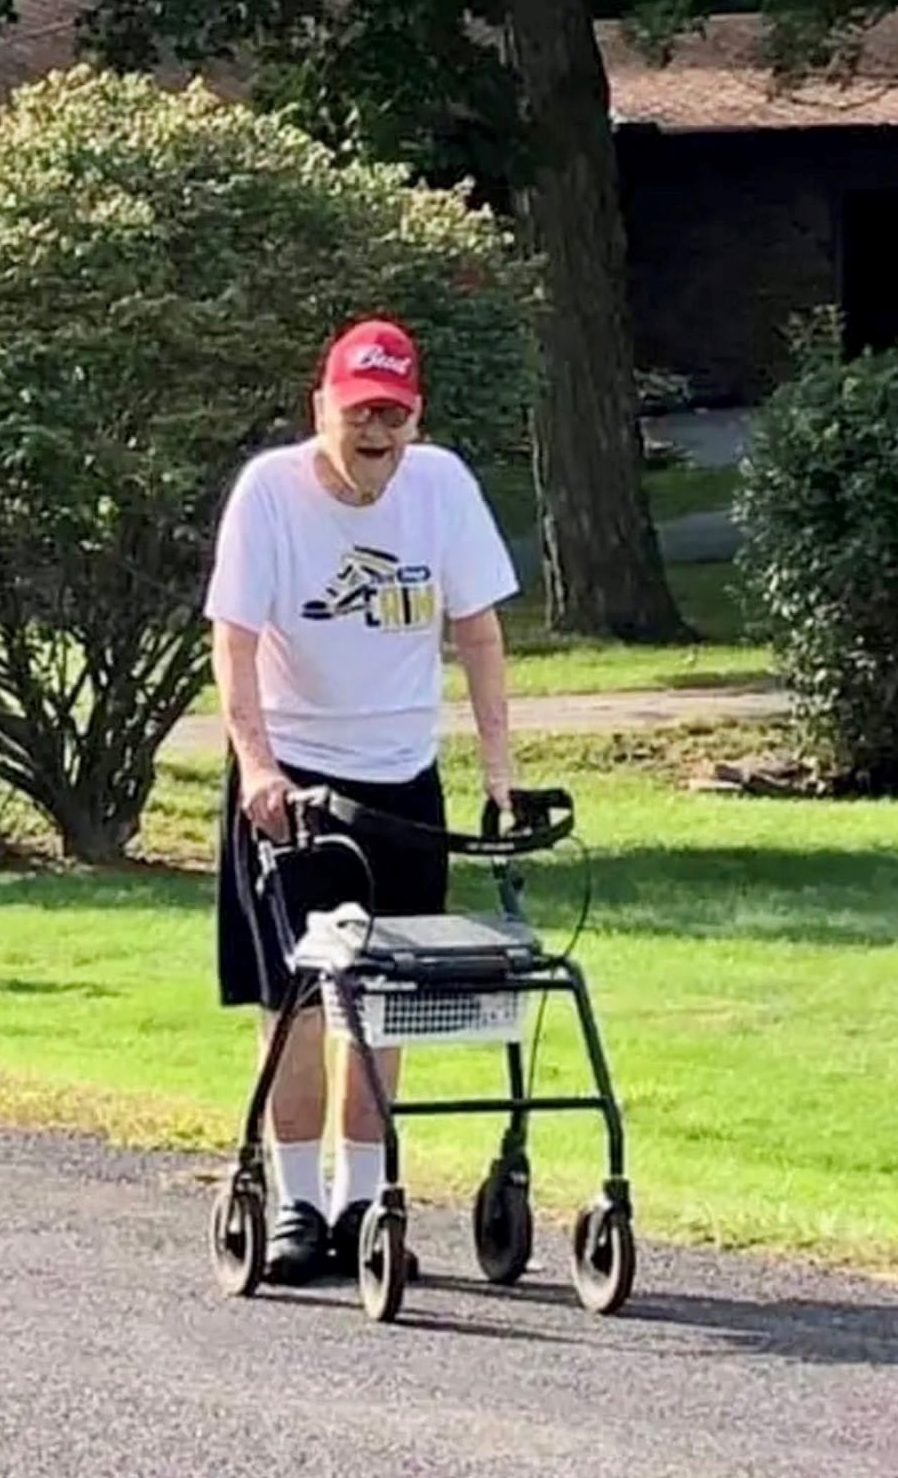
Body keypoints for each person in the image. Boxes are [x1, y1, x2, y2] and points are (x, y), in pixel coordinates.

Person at [203, 314, 520, 1284]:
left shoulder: (441, 487)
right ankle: (297, 1203)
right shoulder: (271, 492)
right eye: (357, 412)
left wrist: (497, 772)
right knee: (297, 1000)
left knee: (387, 1006)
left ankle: (364, 1204)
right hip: (294, 781)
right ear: (321, 410)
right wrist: (256, 765)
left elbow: (476, 632)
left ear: (413, 416)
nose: (374, 431)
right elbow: (235, 638)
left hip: (402, 780)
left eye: (391, 412)